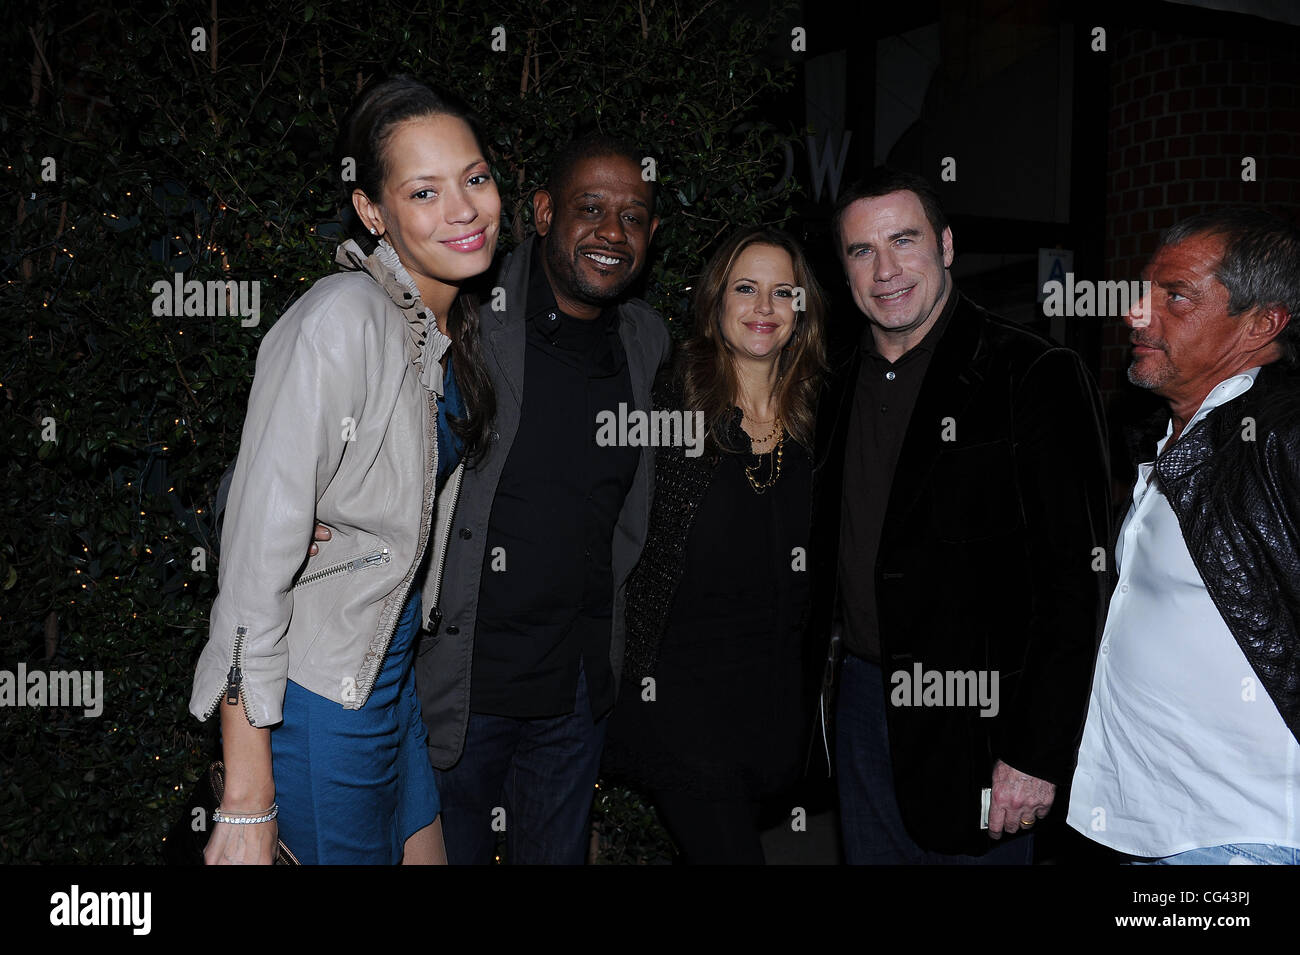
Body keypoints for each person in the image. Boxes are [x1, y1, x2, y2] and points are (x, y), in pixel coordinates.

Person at [188, 75, 500, 864]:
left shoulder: (445, 327)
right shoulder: (341, 318)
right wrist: (247, 794)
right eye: (423, 191)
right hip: (317, 702)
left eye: (475, 177)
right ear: (372, 211)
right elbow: (254, 567)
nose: (463, 208)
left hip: (390, 683)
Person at [810, 167, 1111, 863]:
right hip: (860, 703)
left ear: (945, 245)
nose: (886, 270)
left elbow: (1078, 585)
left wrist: (1036, 750)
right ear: (844, 268)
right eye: (862, 251)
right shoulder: (832, 388)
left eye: (904, 240)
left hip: (982, 725)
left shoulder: (1033, 375)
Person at [412, 134, 670, 864]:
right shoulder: (467, 315)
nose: (613, 233)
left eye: (634, 216)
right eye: (591, 208)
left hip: (577, 691)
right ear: (546, 211)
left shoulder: (647, 340)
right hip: (465, 687)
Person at [1068, 209, 1300, 865]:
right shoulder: (1177, 436)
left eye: (1175, 296)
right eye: (1145, 291)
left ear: (1261, 323)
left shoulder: (1280, 438)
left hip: (1242, 833)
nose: (1137, 315)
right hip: (1152, 824)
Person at [602, 227, 829, 864]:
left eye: (782, 292)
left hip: (776, 709)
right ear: (715, 301)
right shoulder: (669, 407)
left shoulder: (823, 420)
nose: (764, 308)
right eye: (746, 289)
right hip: (680, 705)